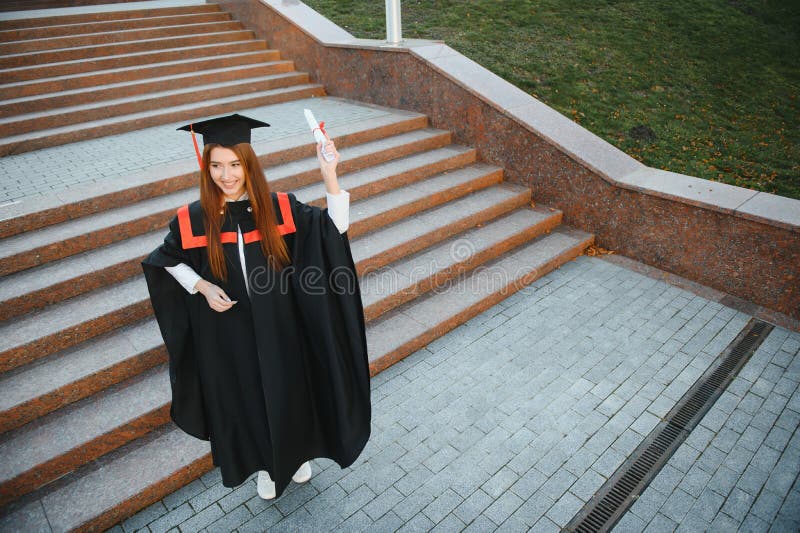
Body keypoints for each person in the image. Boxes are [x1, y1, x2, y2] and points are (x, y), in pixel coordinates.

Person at [141, 113, 371, 501]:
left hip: (282, 328)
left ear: (249, 165)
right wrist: (201, 286)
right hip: (230, 334)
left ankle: (295, 456)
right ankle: (267, 466)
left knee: (290, 392)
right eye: (215, 165)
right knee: (248, 400)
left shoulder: (280, 208)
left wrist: (329, 173)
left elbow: (335, 229)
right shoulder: (194, 218)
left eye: (234, 165)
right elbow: (164, 261)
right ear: (205, 166)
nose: (225, 175)